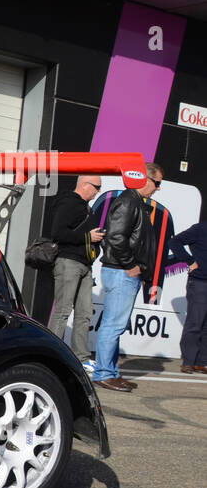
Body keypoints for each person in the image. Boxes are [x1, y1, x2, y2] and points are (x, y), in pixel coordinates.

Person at [91, 163, 164, 392]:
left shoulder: (134, 202)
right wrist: (131, 265)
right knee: (113, 326)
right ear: (144, 179)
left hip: (123, 271)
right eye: (157, 183)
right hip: (122, 271)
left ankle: (111, 372)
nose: (158, 189)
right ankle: (104, 373)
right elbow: (115, 237)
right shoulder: (129, 202)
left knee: (116, 326)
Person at [46, 176, 105, 370]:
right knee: (63, 310)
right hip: (68, 262)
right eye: (96, 187)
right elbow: (58, 233)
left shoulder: (86, 207)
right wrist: (88, 236)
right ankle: (50, 353)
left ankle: (81, 357)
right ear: (85, 185)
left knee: (85, 312)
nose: (98, 191)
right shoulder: (68, 203)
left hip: (85, 264)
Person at [170, 219, 206, 374]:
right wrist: (190, 260)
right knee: (195, 322)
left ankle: (202, 362)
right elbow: (174, 242)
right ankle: (189, 361)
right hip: (199, 282)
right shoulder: (200, 229)